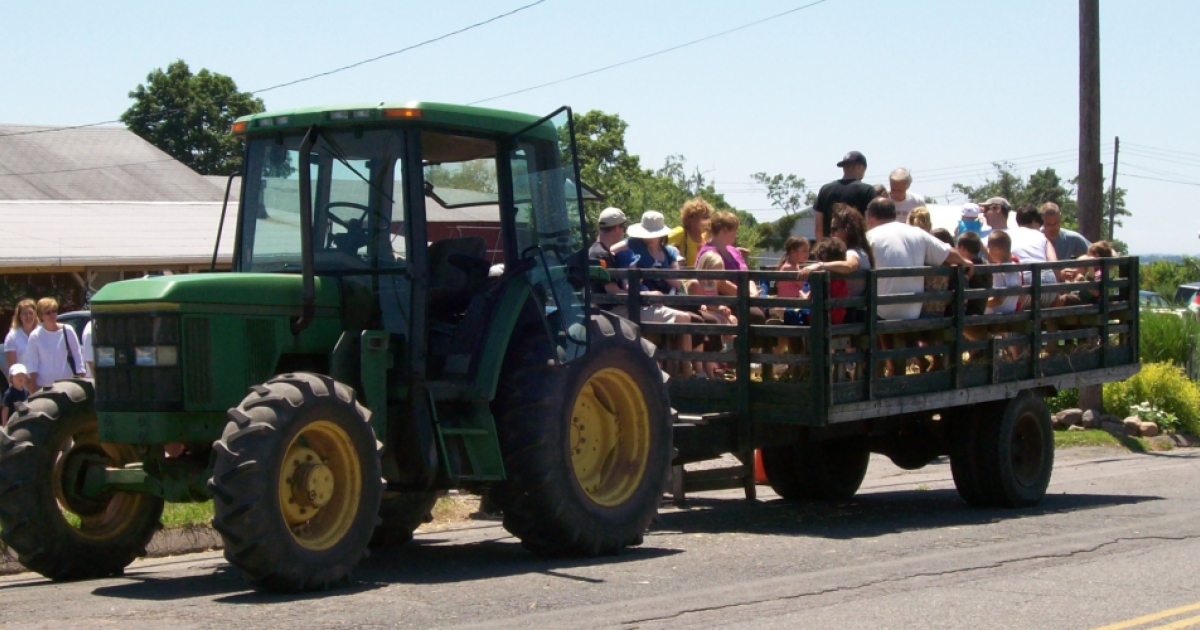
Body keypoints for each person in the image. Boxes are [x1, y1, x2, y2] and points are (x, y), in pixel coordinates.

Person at [865, 197, 973, 321]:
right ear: (894, 214)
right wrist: (966, 262)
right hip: (913, 312)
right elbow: (948, 253)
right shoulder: (917, 233)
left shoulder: (869, 237)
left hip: (881, 313)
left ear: (871, 216)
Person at [615, 211, 697, 375]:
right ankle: (685, 370)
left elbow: (676, 282)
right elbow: (612, 250)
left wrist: (656, 273)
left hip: (667, 297)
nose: (649, 237)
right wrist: (636, 269)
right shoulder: (633, 245)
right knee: (687, 319)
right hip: (646, 299)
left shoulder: (669, 252)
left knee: (697, 319)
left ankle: (685, 368)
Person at [796, 205, 875, 322]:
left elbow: (849, 265)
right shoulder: (861, 251)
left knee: (792, 320)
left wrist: (820, 265)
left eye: (834, 229)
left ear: (848, 229)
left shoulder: (853, 252)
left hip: (846, 314)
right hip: (848, 311)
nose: (831, 233)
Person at [690, 251, 737, 379]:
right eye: (715, 270)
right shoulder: (697, 282)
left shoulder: (712, 283)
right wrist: (718, 310)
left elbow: (715, 300)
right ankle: (735, 344)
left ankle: (733, 346)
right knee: (720, 320)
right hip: (703, 311)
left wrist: (722, 307)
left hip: (713, 310)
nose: (718, 273)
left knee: (732, 318)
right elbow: (703, 302)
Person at [24, 298, 86, 390]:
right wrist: (34, 386)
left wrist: (81, 375)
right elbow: (33, 364)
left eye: (54, 311)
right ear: (41, 315)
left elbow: (77, 355)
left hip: (67, 383)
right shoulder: (35, 336)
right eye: (48, 313)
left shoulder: (67, 330)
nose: (52, 315)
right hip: (45, 385)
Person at [813, 151, 875, 240]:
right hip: (856, 248)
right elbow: (870, 224)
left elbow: (818, 227)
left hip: (831, 247)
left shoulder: (825, 189)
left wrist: (822, 249)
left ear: (843, 168)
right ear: (860, 167)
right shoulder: (867, 190)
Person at [1009, 204, 1059, 306]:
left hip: (1026, 288)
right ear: (1033, 221)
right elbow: (1054, 264)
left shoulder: (1007, 235)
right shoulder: (1042, 237)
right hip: (1050, 285)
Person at [589, 206, 629, 306]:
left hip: (610, 309)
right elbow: (613, 291)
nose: (623, 232)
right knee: (674, 315)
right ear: (616, 228)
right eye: (623, 228)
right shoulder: (601, 255)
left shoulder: (596, 251)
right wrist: (643, 297)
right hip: (613, 311)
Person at [811, 239, 850, 325]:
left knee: (783, 315)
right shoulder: (841, 278)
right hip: (838, 319)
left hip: (819, 319)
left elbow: (813, 300)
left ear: (824, 257)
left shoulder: (823, 278)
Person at [667, 198, 713, 267]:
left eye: (709, 218)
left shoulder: (706, 238)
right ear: (691, 220)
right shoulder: (681, 232)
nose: (709, 221)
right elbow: (660, 245)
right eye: (705, 218)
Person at [985, 231, 1022, 315]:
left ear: (996, 250)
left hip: (996, 317)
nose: (989, 252)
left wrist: (978, 303)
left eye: (989, 249)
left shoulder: (999, 271)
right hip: (1010, 314)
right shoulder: (1017, 268)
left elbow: (998, 300)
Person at [5, 298, 37, 371]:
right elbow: (12, 366)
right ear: (19, 316)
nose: (28, 316)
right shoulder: (12, 337)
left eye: (31, 313)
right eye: (25, 313)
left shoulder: (42, 332)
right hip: (23, 380)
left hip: (44, 380)